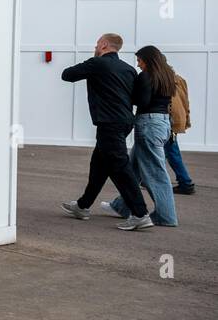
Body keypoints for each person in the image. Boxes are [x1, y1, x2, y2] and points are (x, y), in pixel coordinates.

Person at [58, 33, 152, 229]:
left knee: (120, 168)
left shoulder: (97, 63)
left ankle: (140, 214)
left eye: (97, 44)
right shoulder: (128, 69)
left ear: (103, 45)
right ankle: (82, 206)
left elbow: (67, 75)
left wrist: (93, 63)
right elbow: (135, 98)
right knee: (99, 166)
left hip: (109, 124)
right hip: (125, 122)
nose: (95, 47)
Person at [103, 46, 179, 228]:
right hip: (161, 122)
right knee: (133, 168)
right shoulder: (167, 74)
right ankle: (121, 206)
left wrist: (129, 92)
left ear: (148, 59)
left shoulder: (147, 75)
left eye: (139, 60)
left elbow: (142, 101)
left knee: (155, 173)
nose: (138, 64)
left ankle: (166, 216)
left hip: (148, 123)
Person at [166, 68, 195, 196]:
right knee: (171, 151)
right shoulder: (179, 79)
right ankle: (185, 182)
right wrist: (186, 118)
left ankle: (185, 183)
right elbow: (185, 100)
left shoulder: (163, 79)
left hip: (168, 120)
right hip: (176, 118)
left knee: (171, 152)